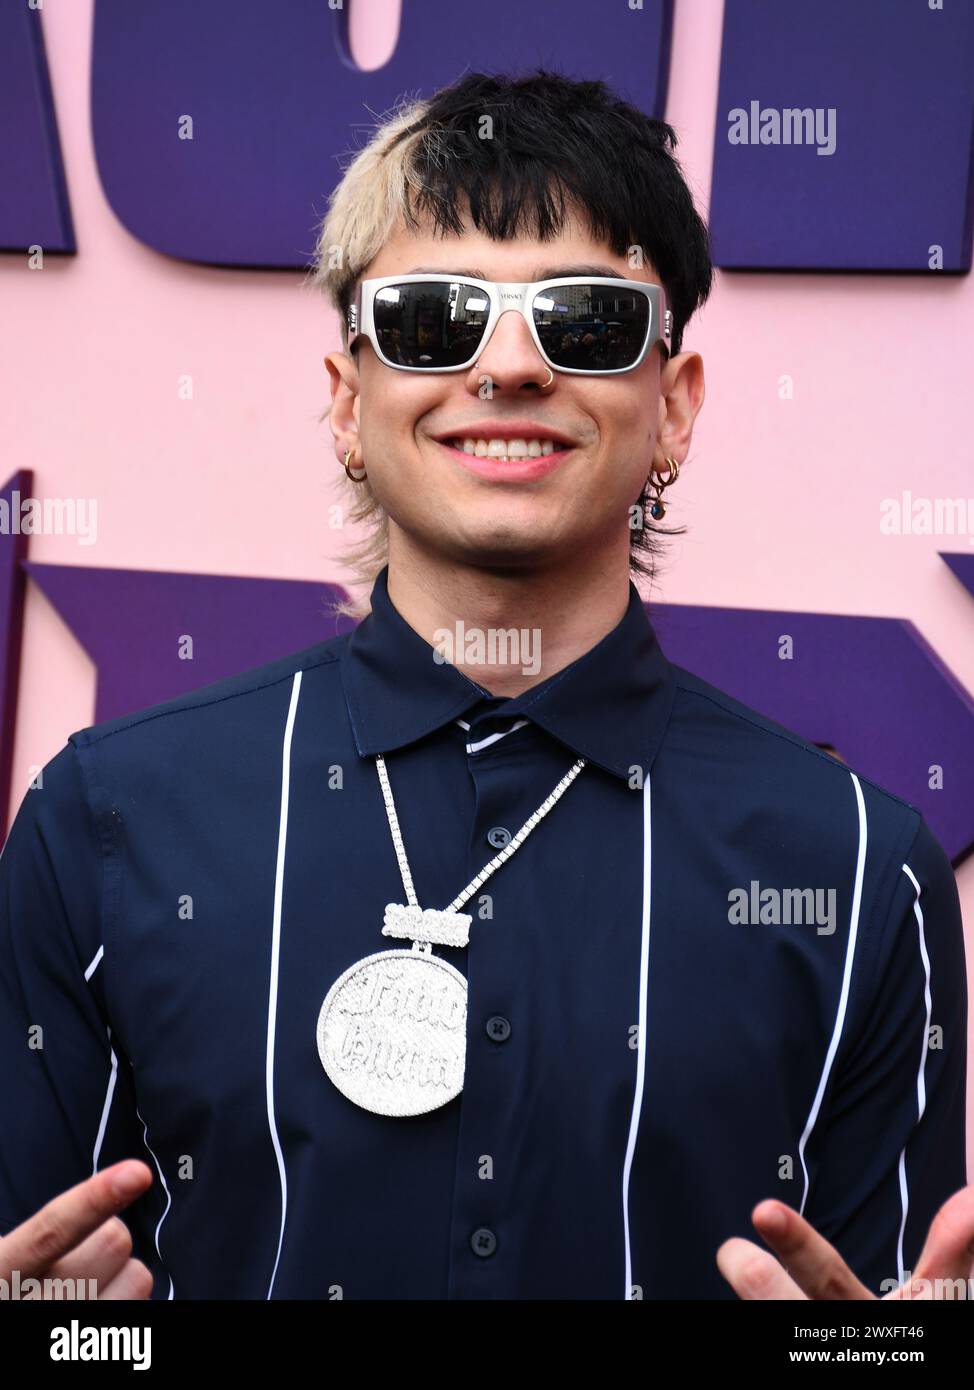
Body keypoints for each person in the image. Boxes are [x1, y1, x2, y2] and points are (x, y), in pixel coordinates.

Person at [0, 69, 970, 1302]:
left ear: (672, 409)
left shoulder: (851, 867)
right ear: (347, 401)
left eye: (582, 321)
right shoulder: (106, 821)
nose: (507, 368)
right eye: (429, 319)